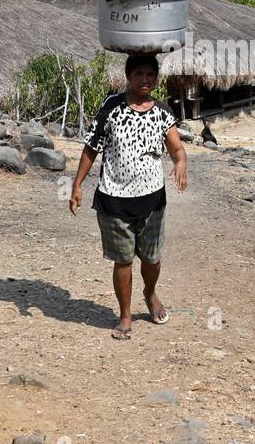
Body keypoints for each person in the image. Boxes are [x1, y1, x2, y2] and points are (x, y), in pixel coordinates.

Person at [69, 54, 187, 340]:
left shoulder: (162, 112)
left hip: (152, 199)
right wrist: (77, 185)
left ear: (156, 78)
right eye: (139, 74)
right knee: (122, 261)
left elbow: (176, 148)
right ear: (128, 76)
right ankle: (124, 314)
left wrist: (180, 163)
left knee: (152, 259)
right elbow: (91, 147)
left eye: (150, 74)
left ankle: (150, 292)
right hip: (114, 198)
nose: (145, 79)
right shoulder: (111, 107)